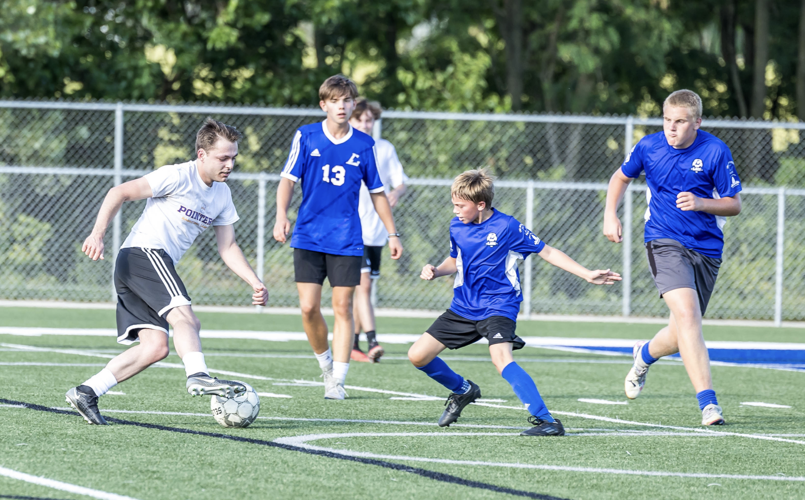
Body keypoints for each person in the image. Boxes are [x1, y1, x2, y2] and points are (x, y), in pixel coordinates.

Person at [66, 118, 268, 425]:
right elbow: (118, 191)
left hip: (145, 264)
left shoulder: (222, 195)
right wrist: (97, 234)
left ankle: (87, 391)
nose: (230, 164)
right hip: (143, 255)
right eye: (223, 158)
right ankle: (198, 376)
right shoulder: (177, 175)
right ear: (202, 155)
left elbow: (228, 248)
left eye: (233, 158)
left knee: (156, 347)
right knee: (187, 319)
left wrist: (254, 281)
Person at [411, 169, 621, 436]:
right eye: (454, 204)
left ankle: (547, 421)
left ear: (481, 204)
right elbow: (455, 260)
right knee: (417, 356)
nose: (455, 211)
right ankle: (463, 390)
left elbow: (548, 251)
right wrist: (436, 270)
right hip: (463, 306)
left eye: (460, 205)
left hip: (499, 305)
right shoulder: (457, 226)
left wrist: (587, 274)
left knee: (500, 358)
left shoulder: (507, 227)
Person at [603, 89, 742, 426]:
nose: (672, 128)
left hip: (707, 248)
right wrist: (610, 213)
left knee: (682, 330)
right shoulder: (649, 146)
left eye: (680, 121)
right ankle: (708, 404)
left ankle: (644, 354)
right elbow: (621, 177)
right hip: (663, 241)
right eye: (667, 120)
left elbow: (733, 203)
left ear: (697, 122)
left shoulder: (714, 151)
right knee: (688, 316)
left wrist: (701, 203)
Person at [273, 75, 403, 400]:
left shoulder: (364, 145)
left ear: (354, 104)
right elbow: (288, 181)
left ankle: (338, 381)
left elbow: (377, 192)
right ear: (324, 104)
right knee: (308, 308)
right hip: (308, 235)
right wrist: (280, 216)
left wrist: (392, 233)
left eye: (347, 100)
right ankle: (326, 364)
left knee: (343, 306)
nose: (342, 106)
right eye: (335, 100)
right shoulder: (306, 136)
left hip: (347, 238)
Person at [348, 99, 409, 363]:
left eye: (369, 119)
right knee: (362, 287)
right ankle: (373, 340)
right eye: (360, 119)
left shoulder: (383, 148)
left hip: (377, 232)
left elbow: (401, 182)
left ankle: (352, 344)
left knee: (366, 286)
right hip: (352, 229)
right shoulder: (345, 147)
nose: (365, 123)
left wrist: (395, 192)